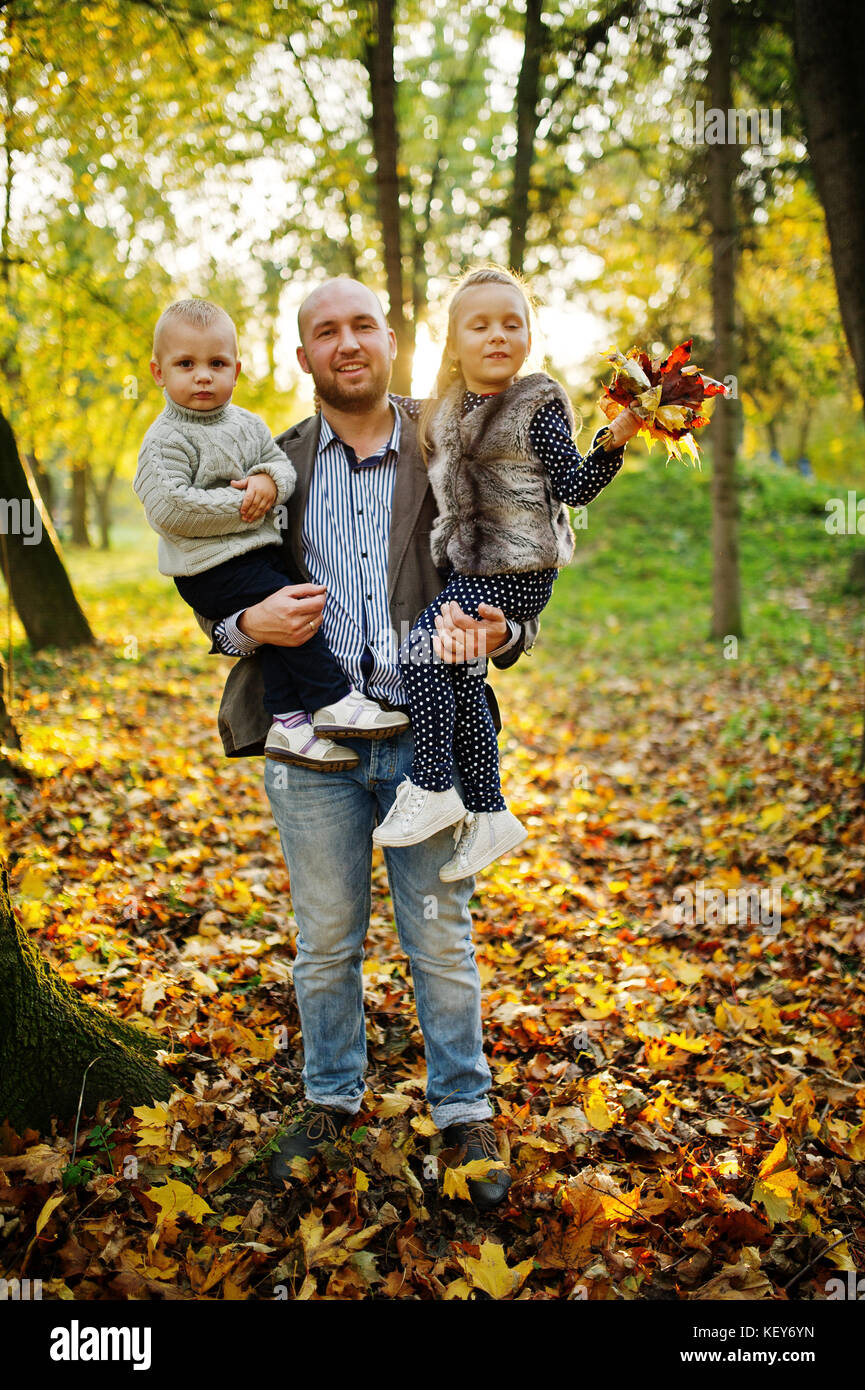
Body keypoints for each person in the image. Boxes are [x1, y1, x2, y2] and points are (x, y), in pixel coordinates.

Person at [194, 277, 635, 1210]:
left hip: (419, 737)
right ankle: (328, 1103)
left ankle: (464, 1112)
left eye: (361, 326)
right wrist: (243, 624)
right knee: (323, 945)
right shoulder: (276, 461)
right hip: (312, 750)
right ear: (302, 356)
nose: (345, 344)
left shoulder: (451, 435)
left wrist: (504, 634)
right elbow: (209, 571)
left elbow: (519, 549)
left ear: (389, 340)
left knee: (441, 941)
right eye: (325, 332)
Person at [372, 266, 641, 880]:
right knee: (462, 677)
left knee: (421, 654)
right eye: (481, 325)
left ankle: (433, 784)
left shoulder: (536, 404)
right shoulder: (443, 411)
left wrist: (613, 440)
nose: (498, 336)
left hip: (517, 564)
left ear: (528, 337)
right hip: (470, 563)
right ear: (455, 340)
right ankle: (491, 812)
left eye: (511, 324)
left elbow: (573, 485)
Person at [134, 297, 408, 772]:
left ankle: (290, 722)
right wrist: (248, 508)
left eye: (216, 364)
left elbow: (279, 471)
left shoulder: (250, 426)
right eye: (186, 364)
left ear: (236, 371)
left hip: (421, 728)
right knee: (290, 606)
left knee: (289, 615)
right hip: (208, 569)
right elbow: (170, 507)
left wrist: (266, 481)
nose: (203, 376)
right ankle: (332, 700)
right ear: (158, 372)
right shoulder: (165, 438)